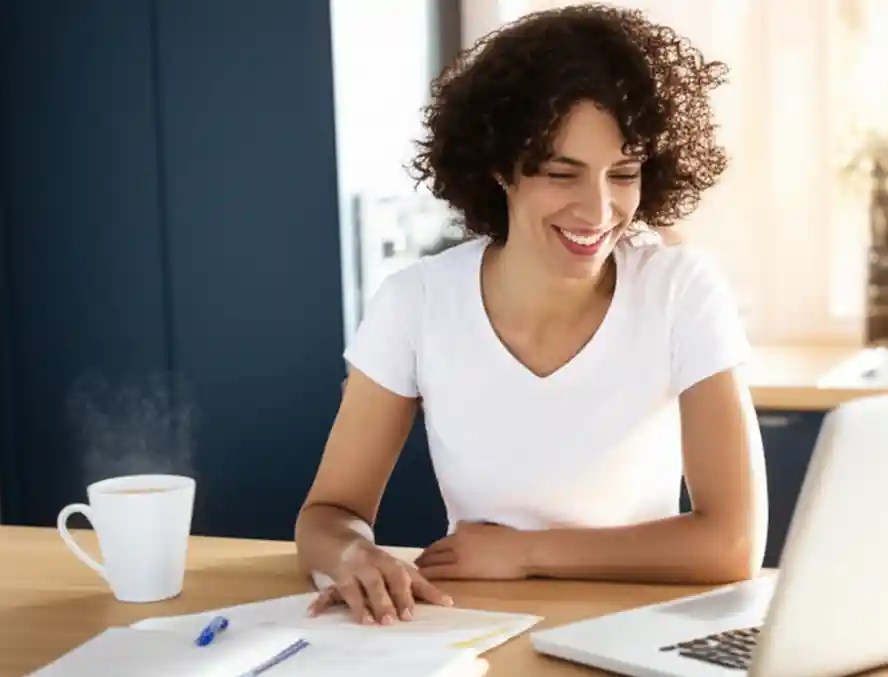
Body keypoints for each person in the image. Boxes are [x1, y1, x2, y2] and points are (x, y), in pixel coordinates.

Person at [296, 3, 767, 626]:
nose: (598, 209)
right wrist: (355, 553)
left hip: (643, 628)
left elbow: (732, 545)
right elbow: (327, 514)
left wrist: (524, 552)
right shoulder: (416, 303)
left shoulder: (680, 289)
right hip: (474, 626)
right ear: (499, 167)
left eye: (622, 174)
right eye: (560, 173)